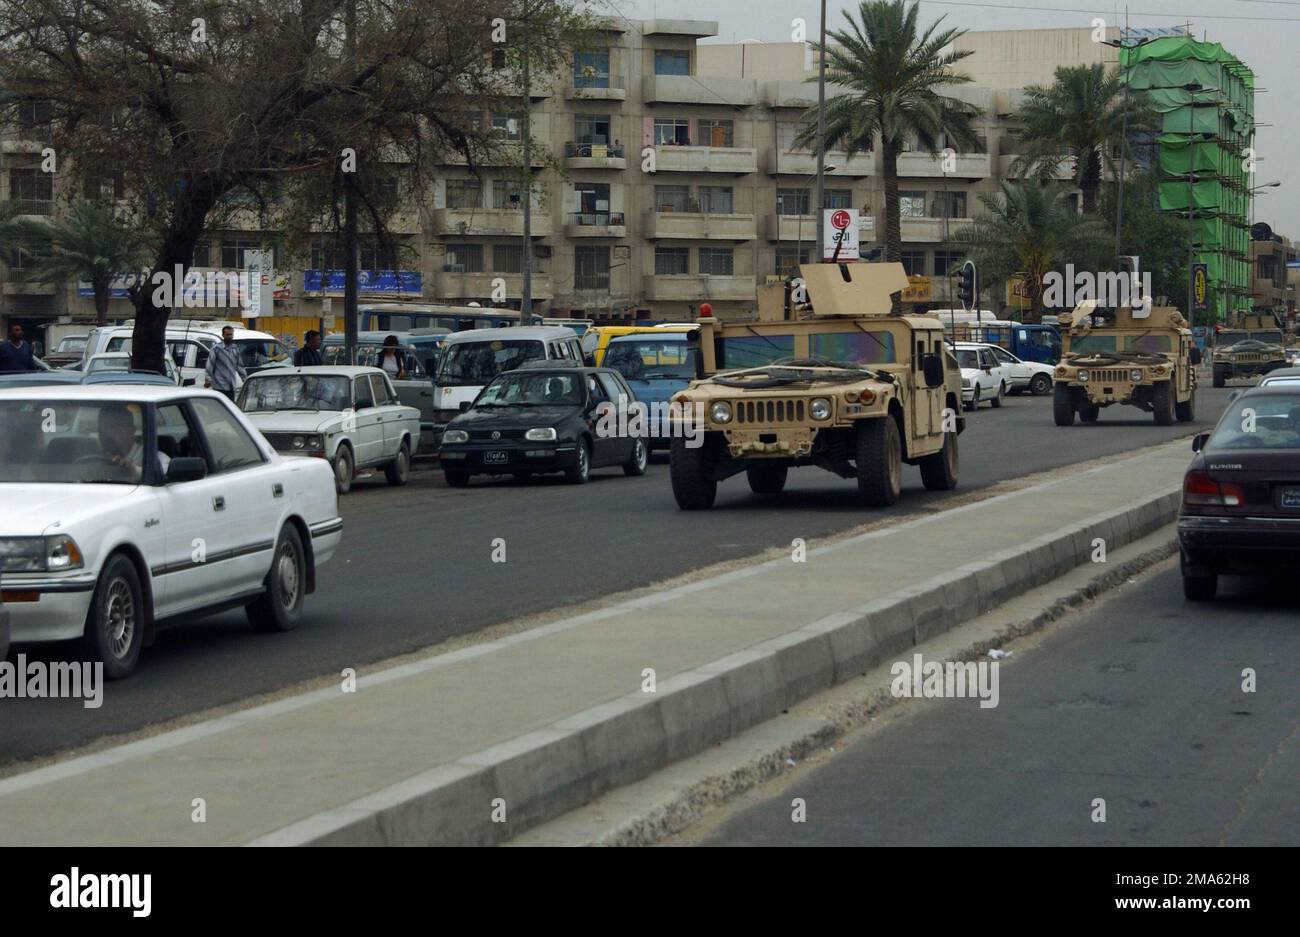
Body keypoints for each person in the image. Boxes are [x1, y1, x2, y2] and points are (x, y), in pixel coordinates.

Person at [98, 405, 170, 481]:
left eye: (113, 428)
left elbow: (165, 477)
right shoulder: (93, 459)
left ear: (131, 430)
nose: (106, 434)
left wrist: (133, 470)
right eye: (102, 430)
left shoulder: (154, 457)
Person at [204, 325, 246, 400]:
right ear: (223, 335)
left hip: (231, 386)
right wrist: (208, 379)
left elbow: (239, 366)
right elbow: (210, 364)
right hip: (219, 386)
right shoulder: (216, 348)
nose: (230, 336)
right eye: (227, 335)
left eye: (231, 334)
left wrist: (245, 379)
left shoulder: (235, 348)